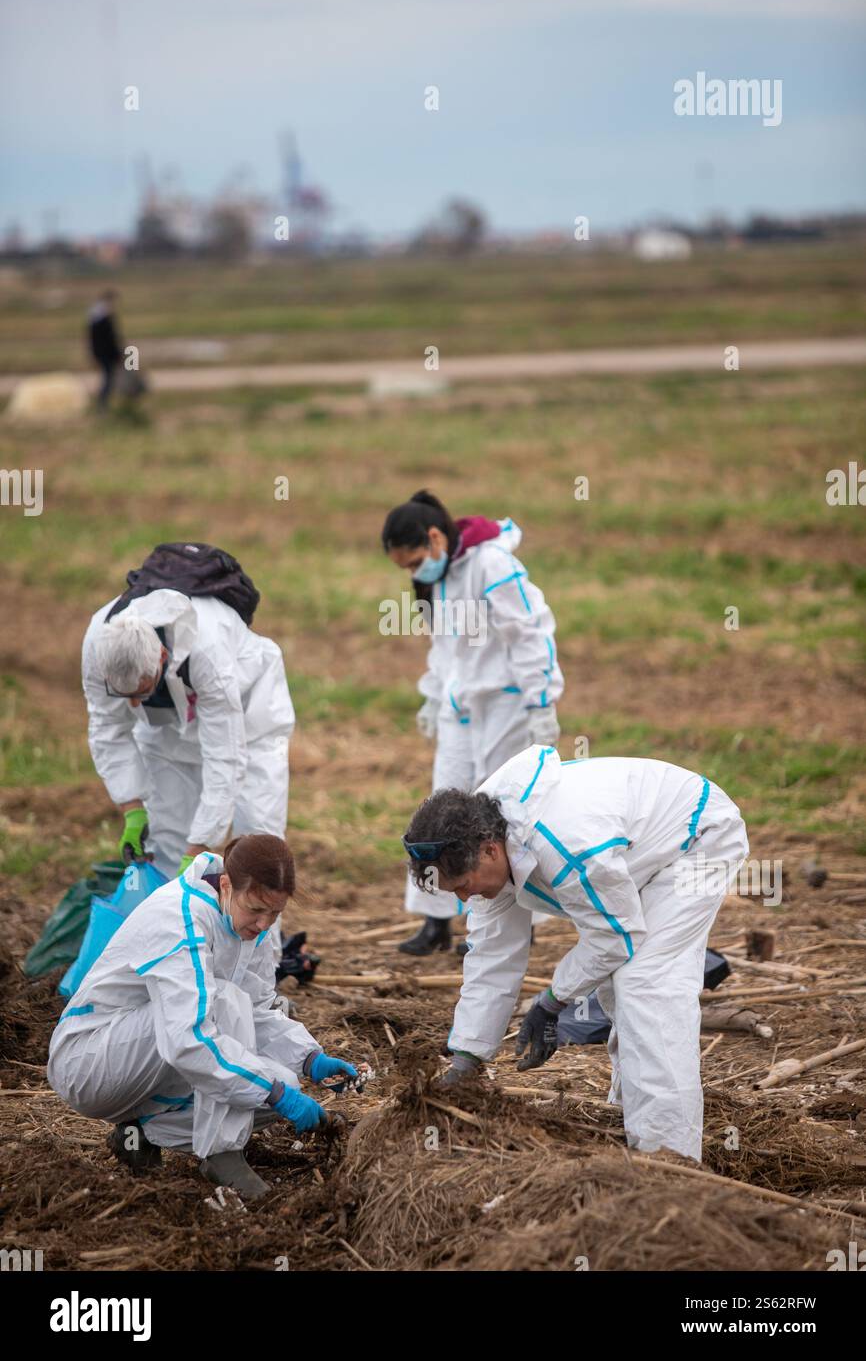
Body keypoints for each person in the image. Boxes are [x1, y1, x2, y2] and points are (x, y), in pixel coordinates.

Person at [401, 746, 749, 1162]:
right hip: (634, 849)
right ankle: (632, 1120)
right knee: (620, 986)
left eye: (463, 885)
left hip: (697, 838)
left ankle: (669, 1159)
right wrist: (467, 1057)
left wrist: (553, 1001)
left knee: (646, 986)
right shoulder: (481, 836)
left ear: (490, 851)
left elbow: (614, 938)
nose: (463, 898)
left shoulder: (566, 847)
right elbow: (491, 956)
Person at [47, 835, 359, 1199]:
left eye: (275, 914)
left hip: (148, 1059)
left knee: (284, 1080)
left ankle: (141, 1133)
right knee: (229, 1014)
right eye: (256, 909)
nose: (264, 923)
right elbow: (189, 1038)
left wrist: (309, 1059)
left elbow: (258, 1010)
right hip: (90, 1061)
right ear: (225, 884)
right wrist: (272, 1093)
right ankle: (223, 1155)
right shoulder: (180, 918)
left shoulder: (245, 923)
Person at [382, 490, 563, 955]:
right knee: (440, 806)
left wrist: (542, 701)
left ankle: (510, 923)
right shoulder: (441, 577)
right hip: (459, 706)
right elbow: (444, 647)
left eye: (414, 561)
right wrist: (432, 695)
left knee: (499, 813)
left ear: (436, 537)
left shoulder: (493, 565)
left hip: (505, 703)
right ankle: (436, 919)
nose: (413, 573)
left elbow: (530, 630)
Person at [81, 553, 295, 881]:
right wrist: (132, 809)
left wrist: (199, 847)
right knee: (167, 837)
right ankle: (175, 911)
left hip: (249, 717)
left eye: (142, 690)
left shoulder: (208, 650)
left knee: (256, 839)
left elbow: (225, 756)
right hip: (167, 724)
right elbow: (107, 728)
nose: (133, 704)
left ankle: (256, 914)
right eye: (124, 695)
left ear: (162, 656)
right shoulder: (98, 642)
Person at [86, 290, 123, 408]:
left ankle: (103, 403)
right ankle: (102, 404)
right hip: (106, 354)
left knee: (107, 378)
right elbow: (110, 339)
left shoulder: (94, 316)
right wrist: (117, 354)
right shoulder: (103, 317)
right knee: (108, 379)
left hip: (101, 353)